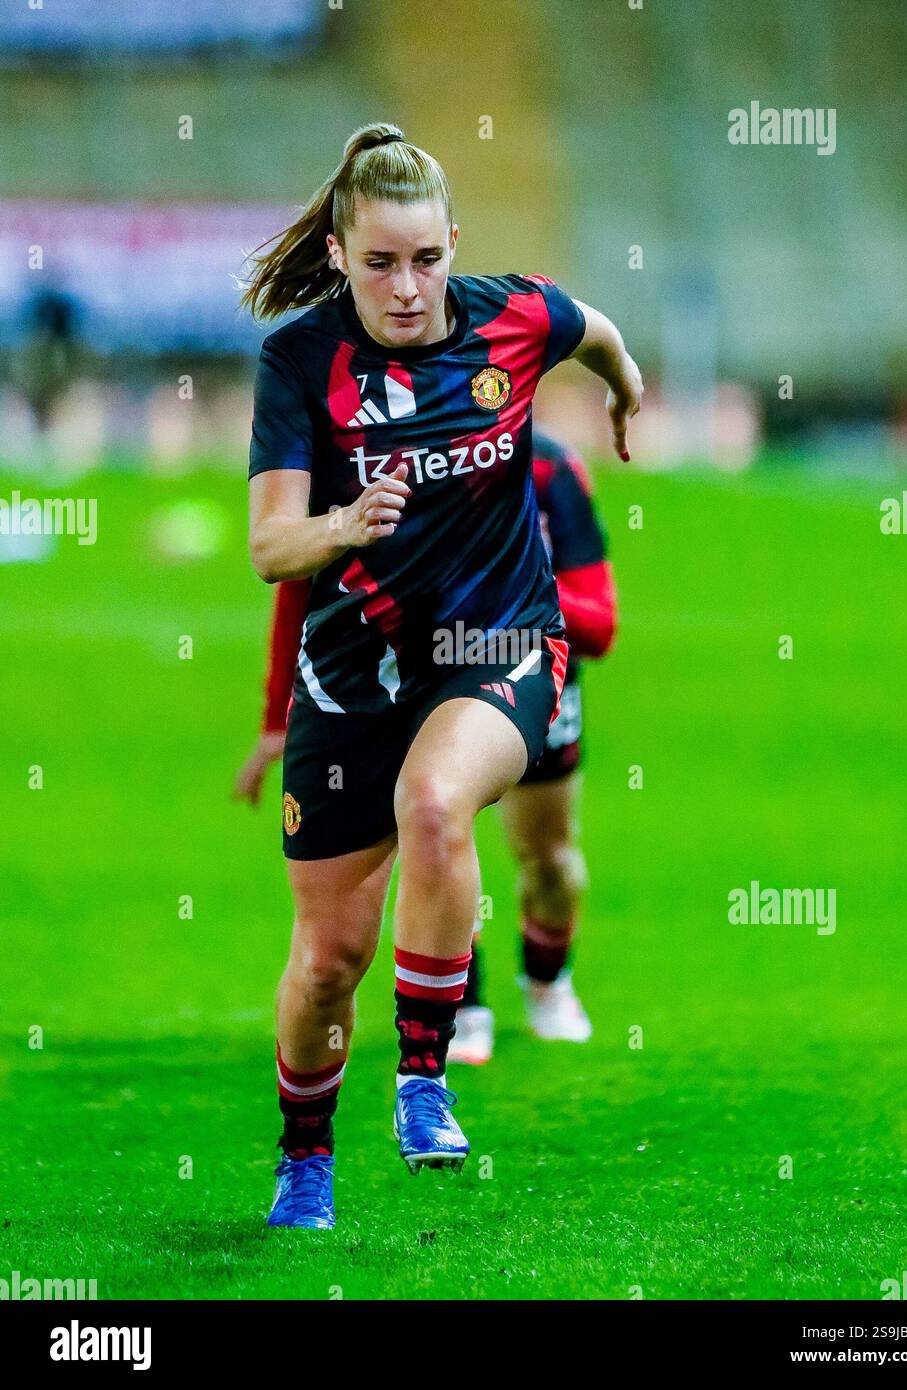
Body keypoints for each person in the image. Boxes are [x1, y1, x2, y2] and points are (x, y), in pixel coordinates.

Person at [241, 121, 642, 1230]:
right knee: (328, 960)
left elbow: (592, 327)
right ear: (338, 252)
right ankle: (305, 1158)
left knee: (436, 801)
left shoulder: (515, 314)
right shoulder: (300, 362)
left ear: (453, 244)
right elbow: (269, 547)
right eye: (380, 262)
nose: (408, 287)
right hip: (353, 676)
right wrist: (340, 524)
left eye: (427, 258)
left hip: (500, 643)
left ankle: (424, 1081)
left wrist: (624, 383)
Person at [235, 428, 618, 1064]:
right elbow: (301, 583)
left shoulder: (551, 469)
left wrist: (509, 592)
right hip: (423, 678)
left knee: (548, 860)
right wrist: (279, 716)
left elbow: (601, 625)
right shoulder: (376, 466)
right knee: (434, 825)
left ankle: (549, 983)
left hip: (531, 670)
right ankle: (462, 1005)